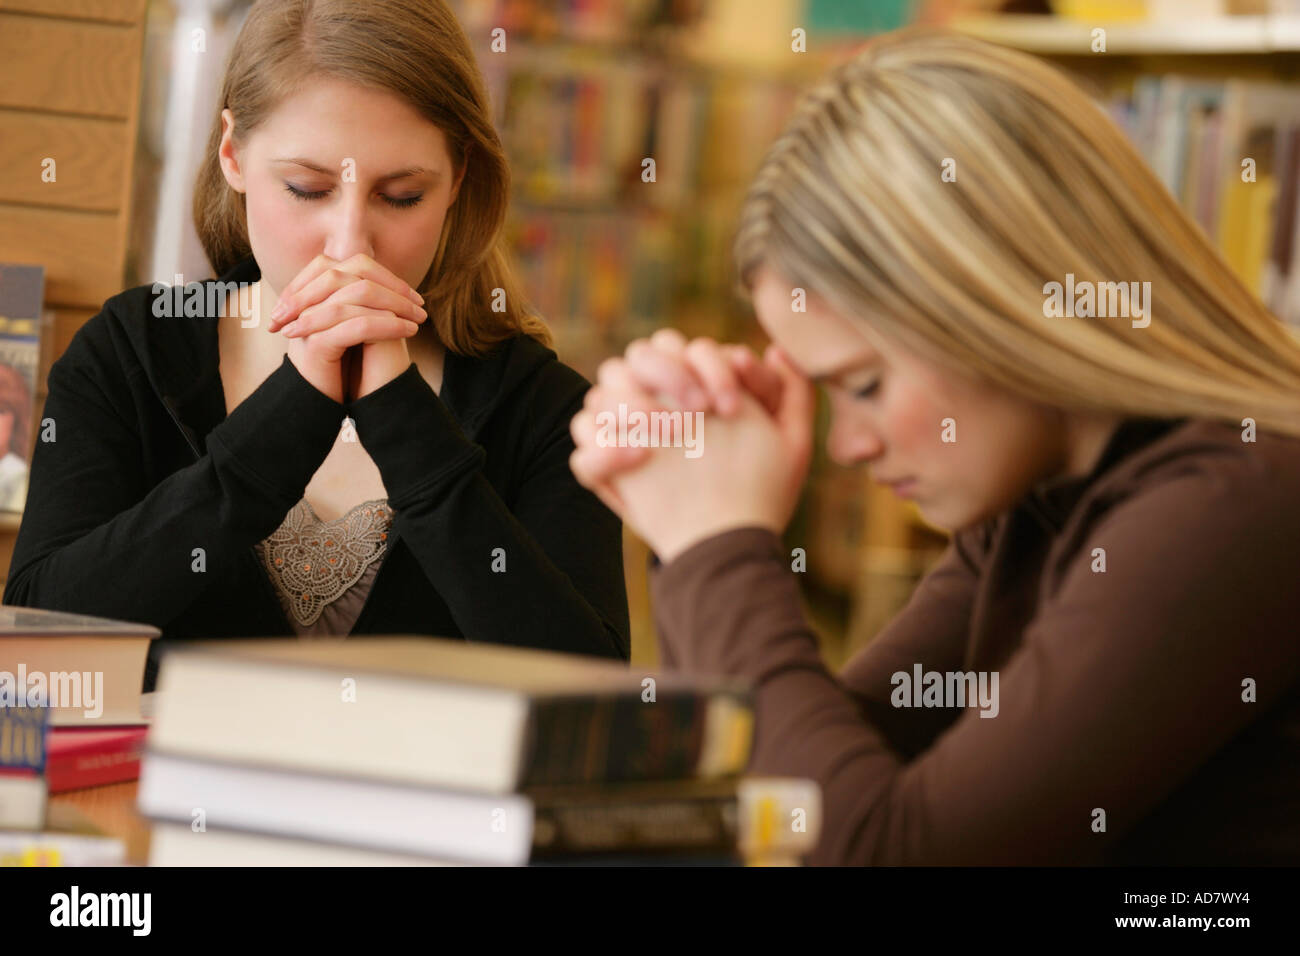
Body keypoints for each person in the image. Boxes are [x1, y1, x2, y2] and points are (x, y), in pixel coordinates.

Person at [569, 28, 1300, 864]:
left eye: (866, 385)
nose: (845, 443)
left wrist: (717, 547)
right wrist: (691, 500)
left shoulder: (1232, 502)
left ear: (1003, 309)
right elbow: (790, 789)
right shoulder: (1038, 498)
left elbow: (879, 855)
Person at [4, 0, 629, 689]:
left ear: (458, 180)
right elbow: (37, 645)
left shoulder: (544, 408)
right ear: (233, 154)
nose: (349, 244)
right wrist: (287, 415)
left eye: (401, 196)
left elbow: (591, 700)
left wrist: (404, 420)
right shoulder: (128, 355)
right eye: (307, 188)